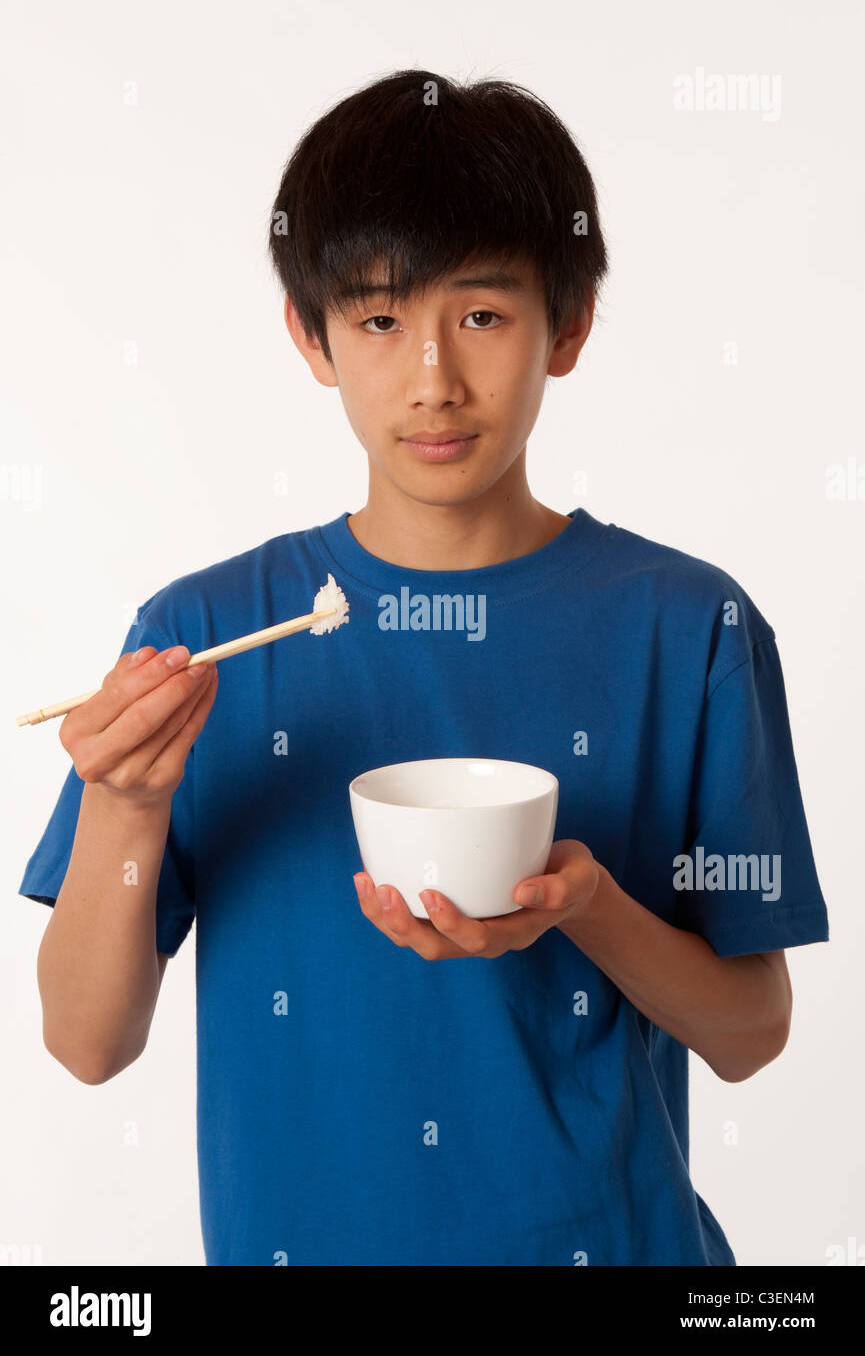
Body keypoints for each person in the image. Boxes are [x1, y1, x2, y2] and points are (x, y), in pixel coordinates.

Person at [18, 69, 828, 1266]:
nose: (434, 378)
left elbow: (752, 1030)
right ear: (312, 336)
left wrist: (588, 907)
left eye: (485, 316)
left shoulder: (689, 625)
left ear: (570, 325)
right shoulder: (204, 631)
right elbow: (86, 1044)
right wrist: (124, 799)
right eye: (380, 320)